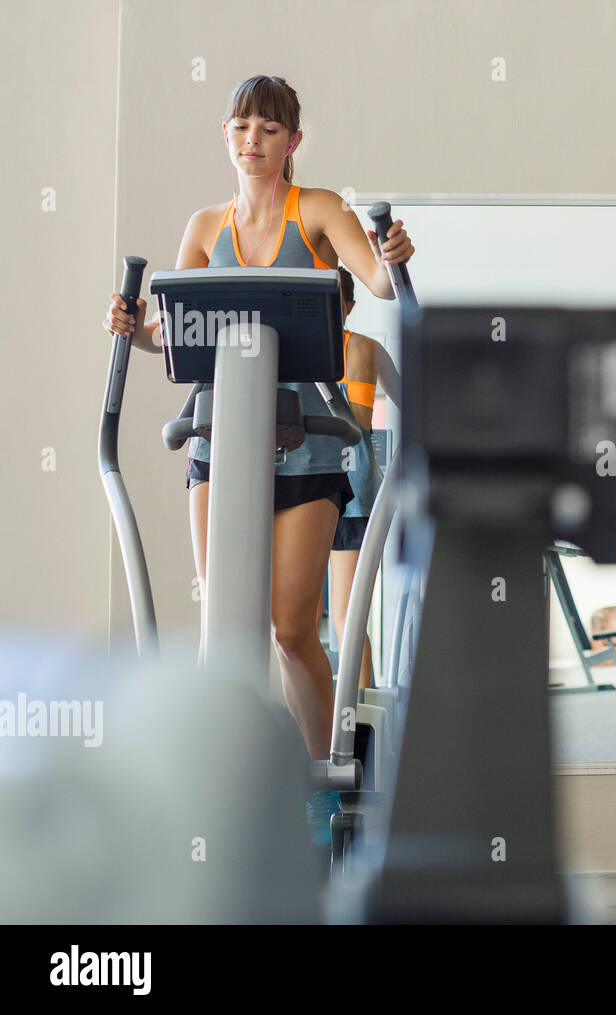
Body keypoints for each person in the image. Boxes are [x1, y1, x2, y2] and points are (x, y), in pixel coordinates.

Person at [102, 75, 413, 772]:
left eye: (270, 130)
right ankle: (227, 782)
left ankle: (326, 777)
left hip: (307, 445)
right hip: (219, 438)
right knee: (225, 622)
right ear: (226, 135)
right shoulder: (204, 227)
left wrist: (392, 255)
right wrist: (132, 327)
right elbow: (170, 332)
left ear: (292, 141)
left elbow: (382, 282)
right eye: (242, 127)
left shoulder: (321, 209)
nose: (253, 141)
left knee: (289, 630)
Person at [317, 267, 401, 691]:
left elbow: (359, 423)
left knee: (347, 617)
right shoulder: (298, 350)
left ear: (348, 307)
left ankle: (358, 712)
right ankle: (324, 712)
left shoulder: (361, 348)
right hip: (306, 484)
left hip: (352, 491)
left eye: (335, 303)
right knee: (309, 621)